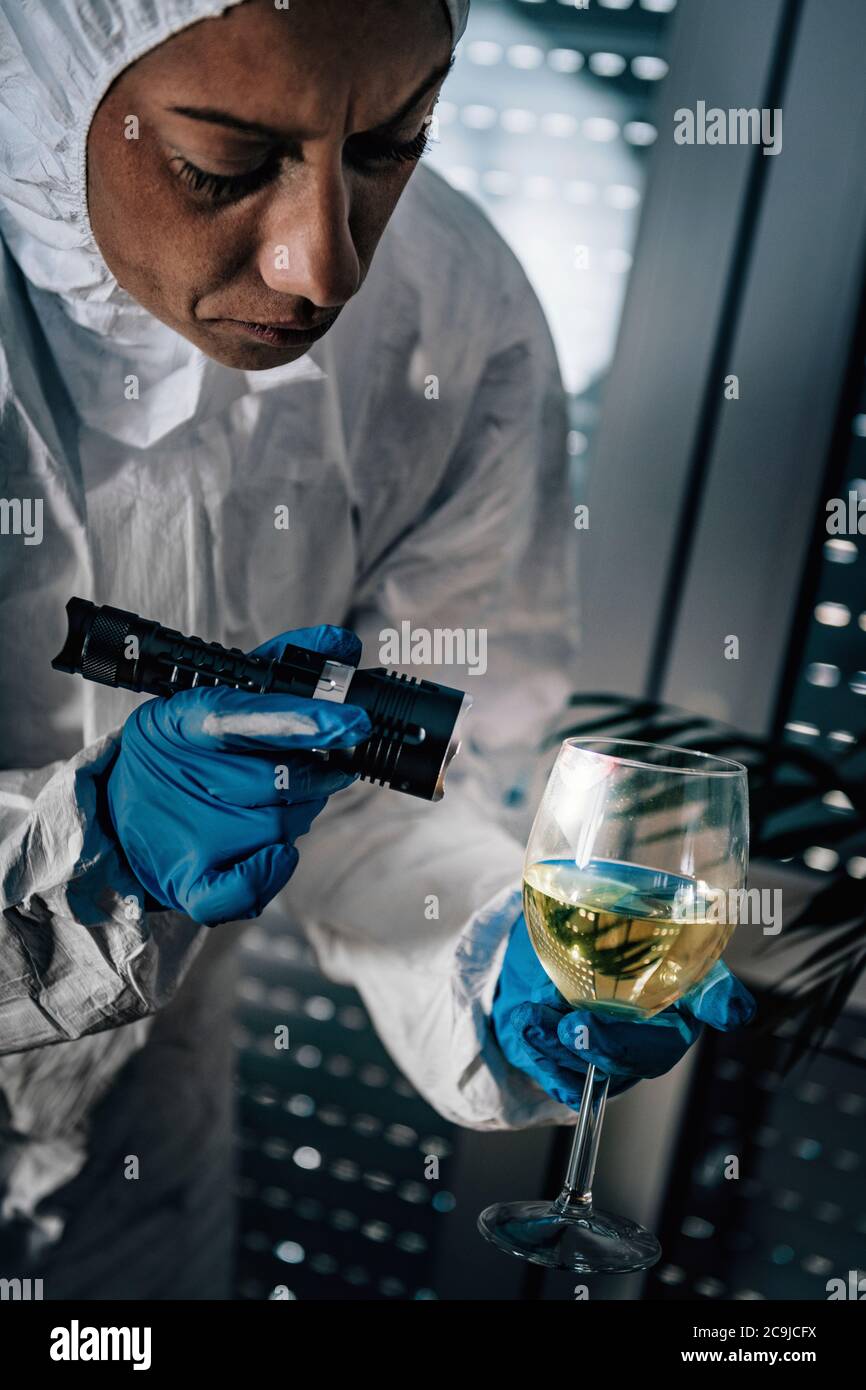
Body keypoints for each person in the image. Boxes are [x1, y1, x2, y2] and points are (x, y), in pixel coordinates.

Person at [0, 0, 753, 1298]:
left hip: (142, 1167)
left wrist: (487, 946)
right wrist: (94, 861)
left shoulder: (445, 314)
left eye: (389, 144)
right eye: (222, 166)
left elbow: (383, 796)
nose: (323, 268)